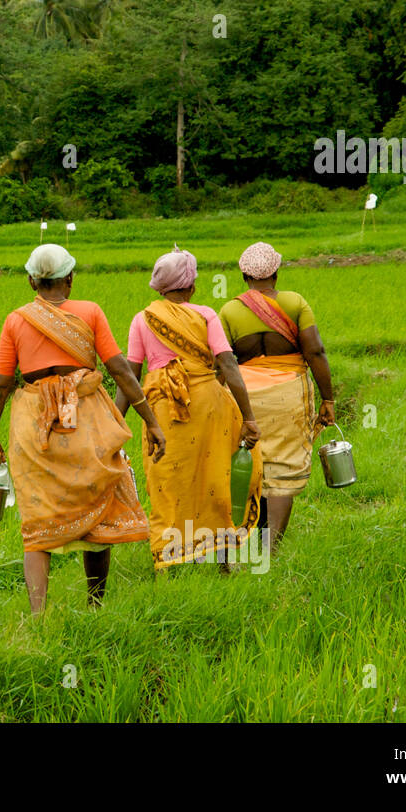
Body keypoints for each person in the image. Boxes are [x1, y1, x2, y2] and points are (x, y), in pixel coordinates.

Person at [0, 243, 167, 615]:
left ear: (32, 280)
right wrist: (151, 421)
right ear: (69, 278)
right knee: (98, 511)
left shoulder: (16, 320)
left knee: (37, 520)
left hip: (36, 430)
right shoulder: (90, 312)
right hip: (86, 422)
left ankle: (38, 615)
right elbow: (120, 370)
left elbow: (0, 385)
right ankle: (95, 604)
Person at [116, 245, 261, 572]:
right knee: (216, 479)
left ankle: (167, 565)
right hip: (210, 406)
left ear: (159, 286)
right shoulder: (206, 314)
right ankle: (223, 562)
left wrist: (115, 424)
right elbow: (229, 365)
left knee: (165, 483)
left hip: (161, 412)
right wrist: (249, 417)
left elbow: (129, 377)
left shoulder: (142, 320)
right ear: (191, 285)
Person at [219, 242, 335, 552]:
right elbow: (315, 351)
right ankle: (270, 549)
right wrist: (328, 399)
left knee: (251, 464)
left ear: (245, 275)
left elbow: (223, 362)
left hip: (244, 399)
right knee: (281, 470)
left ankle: (247, 539)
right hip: (288, 395)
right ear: (276, 272)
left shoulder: (230, 310)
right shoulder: (295, 303)